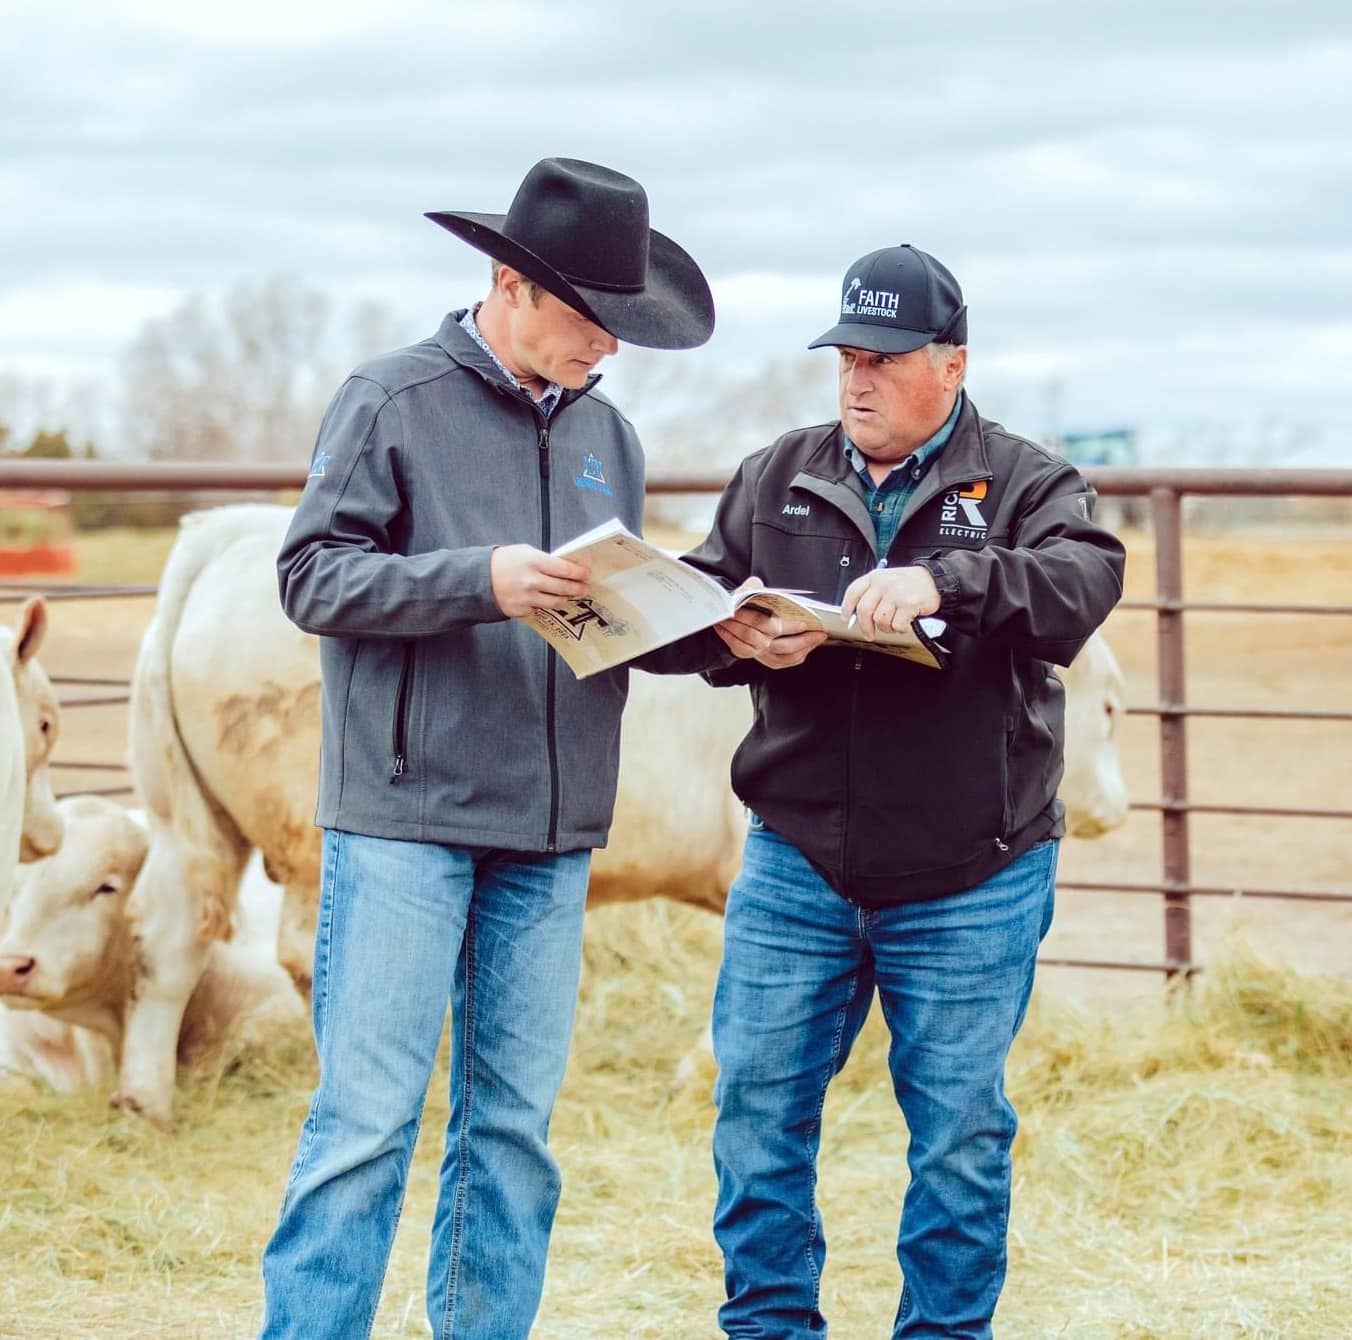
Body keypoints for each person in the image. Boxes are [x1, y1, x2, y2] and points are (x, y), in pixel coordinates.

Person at [257, 157, 719, 1340]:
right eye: (590, 320)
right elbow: (312, 576)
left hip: (550, 832)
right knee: (366, 1121)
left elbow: (599, 617)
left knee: (513, 1130)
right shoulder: (390, 400)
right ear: (511, 284)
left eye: (621, 327)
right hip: (408, 818)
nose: (606, 349)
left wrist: (716, 633)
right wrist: (484, 579)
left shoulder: (607, 433)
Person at [682, 243, 1127, 1337]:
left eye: (884, 356)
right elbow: (702, 595)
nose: (857, 378)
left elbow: (1082, 578)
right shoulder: (777, 473)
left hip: (972, 866)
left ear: (951, 363)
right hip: (797, 859)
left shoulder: (1025, 481)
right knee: (754, 1114)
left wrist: (946, 578)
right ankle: (771, 1324)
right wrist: (728, 635)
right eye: (845, 354)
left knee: (958, 1135)